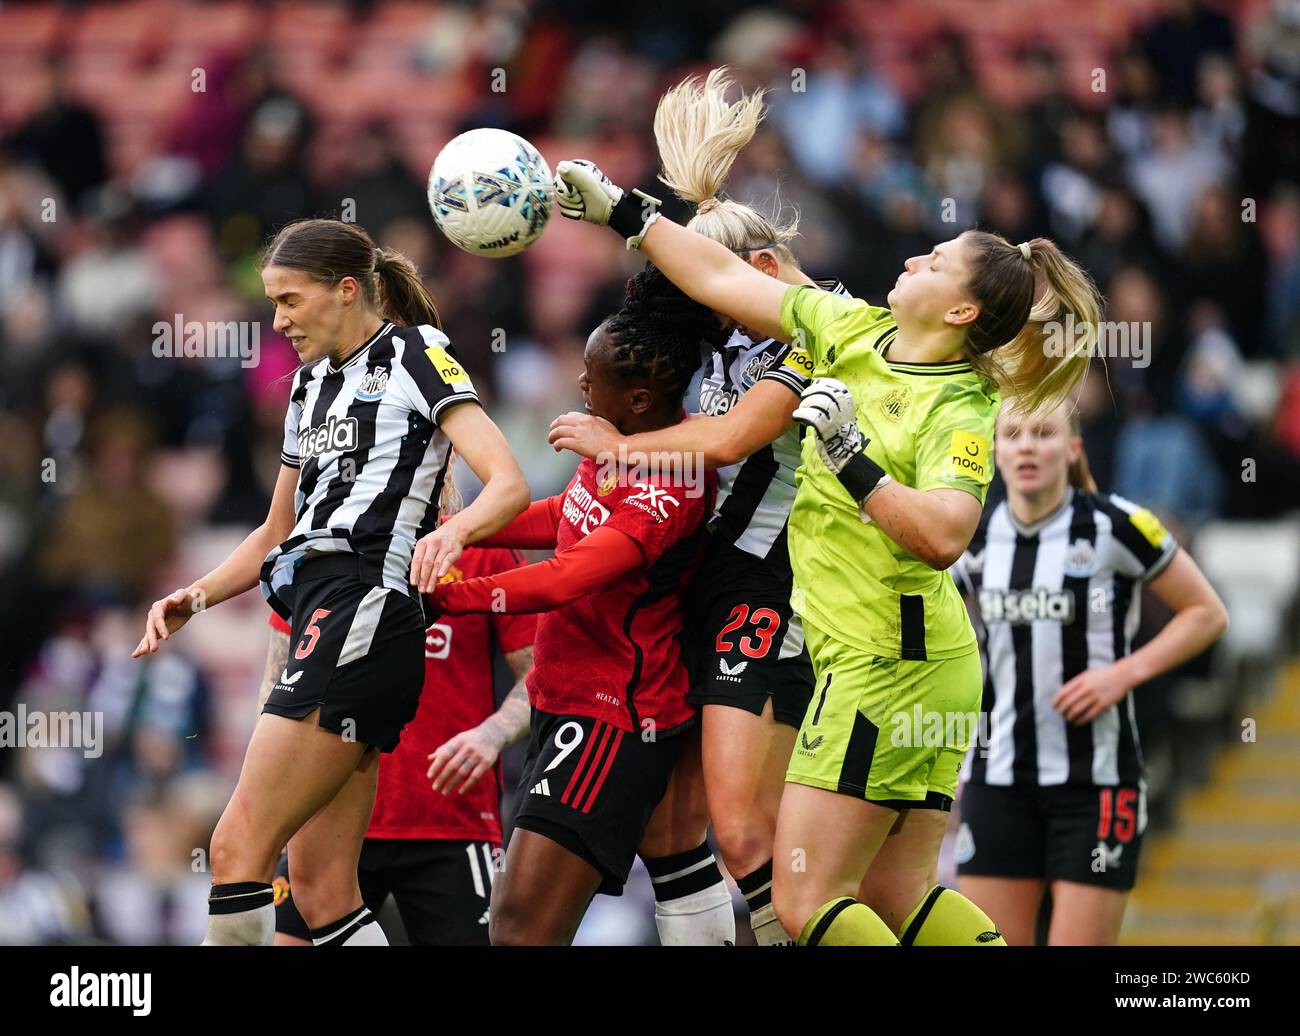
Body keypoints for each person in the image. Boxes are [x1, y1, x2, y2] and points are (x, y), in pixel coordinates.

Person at [551, 100, 1102, 944]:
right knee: (900, 893)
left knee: (805, 899)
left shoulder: (960, 406)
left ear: (959, 314)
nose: (916, 255)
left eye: (938, 261)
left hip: (889, 665)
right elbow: (724, 278)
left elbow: (947, 532)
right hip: (908, 661)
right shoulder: (856, 331)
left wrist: (849, 456)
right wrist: (624, 211)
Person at [133, 218, 529, 946]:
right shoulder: (308, 388)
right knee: (321, 890)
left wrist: (451, 532)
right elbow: (274, 532)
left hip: (362, 609)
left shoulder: (416, 355)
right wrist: (196, 595)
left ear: (348, 291)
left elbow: (506, 482)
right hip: (318, 605)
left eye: (290, 300)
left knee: (233, 851)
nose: (278, 320)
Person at [551, 69, 852, 945]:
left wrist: (620, 450)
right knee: (673, 829)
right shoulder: (723, 333)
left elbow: (730, 441)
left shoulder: (822, 330)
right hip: (708, 580)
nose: (704, 318)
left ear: (757, 273)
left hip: (776, 586)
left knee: (746, 827)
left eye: (710, 295)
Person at [432, 266, 724, 945]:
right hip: (563, 700)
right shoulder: (613, 441)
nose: (581, 388)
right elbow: (568, 513)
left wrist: (450, 597)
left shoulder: (673, 484)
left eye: (593, 381)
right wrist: (463, 528)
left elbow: (567, 578)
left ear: (643, 398)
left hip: (610, 716)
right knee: (521, 929)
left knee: (519, 932)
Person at [952, 398, 1228, 944]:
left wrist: (1121, 674)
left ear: (1073, 447)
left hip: (1096, 785)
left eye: (1044, 433)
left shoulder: (1116, 525)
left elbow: (1206, 613)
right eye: (1014, 434)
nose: (1028, 445)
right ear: (995, 452)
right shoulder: (971, 538)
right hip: (996, 779)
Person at [263, 543, 536, 946]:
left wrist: (490, 735)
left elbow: (539, 675)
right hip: (330, 813)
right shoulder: (323, 542)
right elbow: (277, 683)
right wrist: (278, 801)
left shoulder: (484, 551)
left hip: (452, 820)